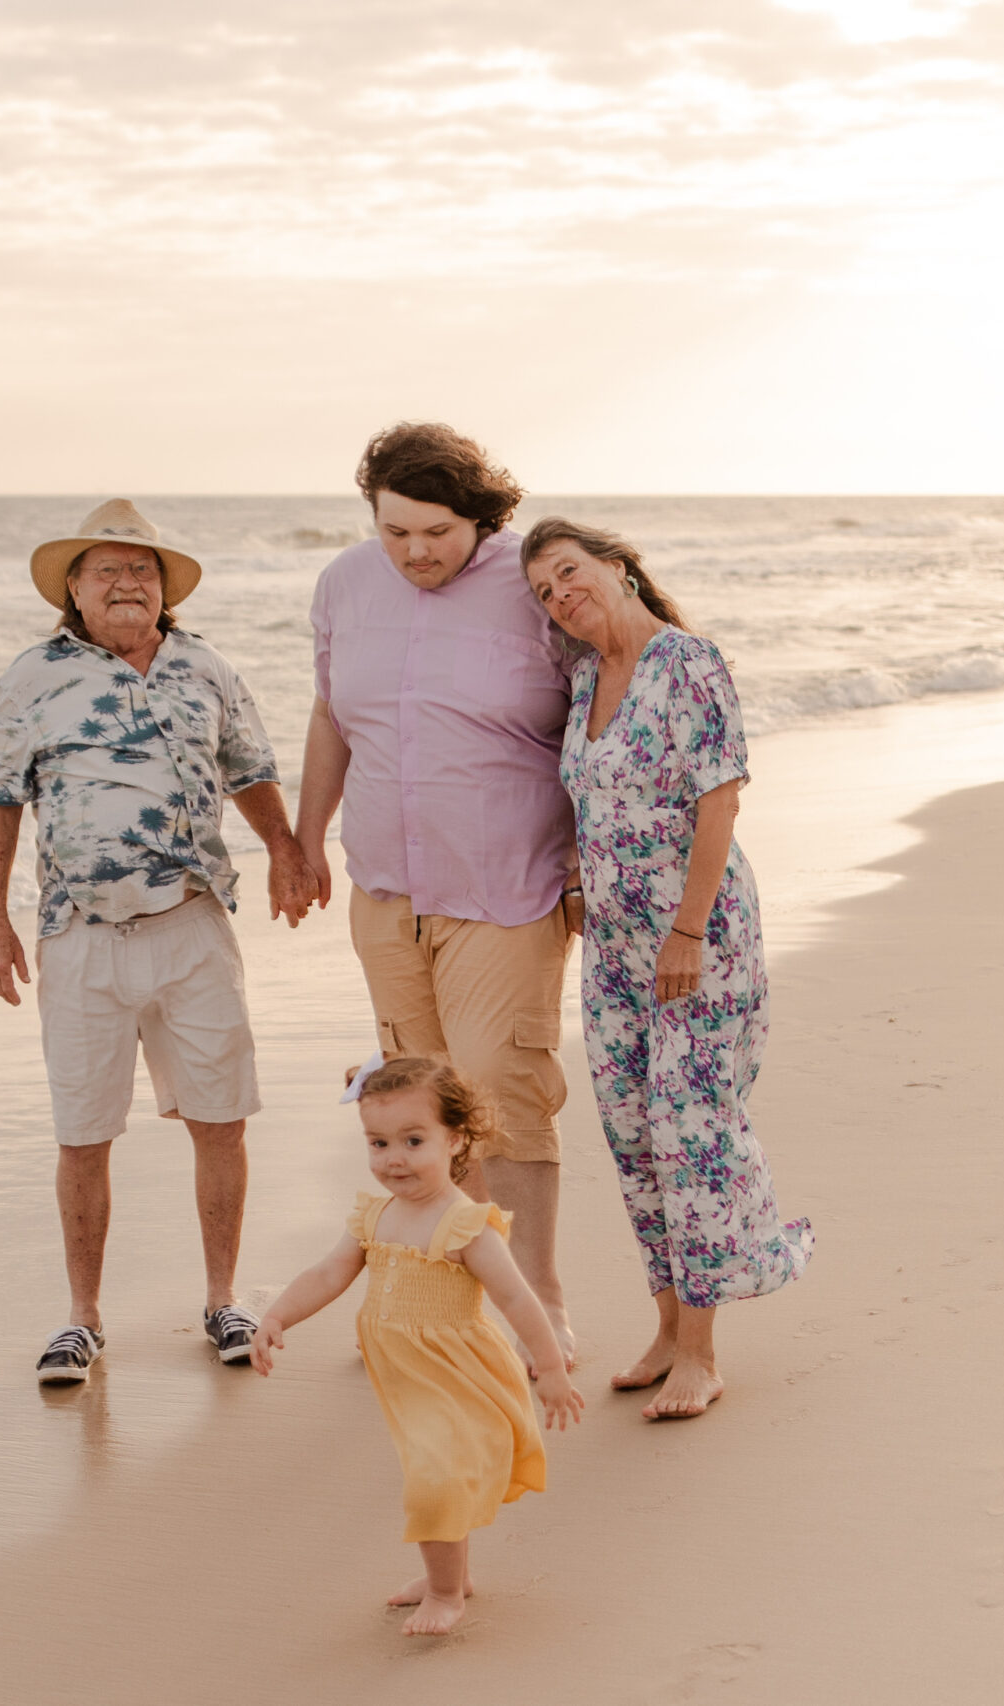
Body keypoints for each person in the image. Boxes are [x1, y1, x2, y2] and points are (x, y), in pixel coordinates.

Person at [0, 498, 306, 1385]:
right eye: (108, 571)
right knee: (83, 1134)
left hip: (194, 924)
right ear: (74, 590)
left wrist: (284, 849)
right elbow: (2, 801)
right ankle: (82, 1319)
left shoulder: (206, 667)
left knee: (221, 1120)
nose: (128, 584)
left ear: (164, 591)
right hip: (80, 936)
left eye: (144, 571)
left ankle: (223, 1300)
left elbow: (253, 771)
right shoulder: (32, 676)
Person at [291, 422, 582, 1367]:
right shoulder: (342, 584)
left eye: (438, 533)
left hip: (507, 886)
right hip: (384, 888)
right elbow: (333, 717)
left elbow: (598, 710)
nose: (416, 552)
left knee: (500, 1093)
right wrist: (303, 840)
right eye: (396, 531)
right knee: (411, 1112)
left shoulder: (534, 585)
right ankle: (433, 1302)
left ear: (481, 518)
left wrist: (596, 862)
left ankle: (538, 1304)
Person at [520, 517, 813, 1420]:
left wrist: (686, 932)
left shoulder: (686, 661)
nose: (562, 594)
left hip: (699, 934)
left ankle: (701, 1352)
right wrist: (573, 887)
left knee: (694, 1131)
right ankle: (663, 1329)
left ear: (616, 566)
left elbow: (718, 798)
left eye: (570, 572)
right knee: (634, 1133)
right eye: (543, 590)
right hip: (612, 944)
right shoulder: (581, 678)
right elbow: (586, 802)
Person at [254, 1056, 583, 1637]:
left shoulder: (465, 1224)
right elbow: (329, 1273)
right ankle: (451, 1572)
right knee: (435, 1472)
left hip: (458, 1374)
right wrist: (278, 1314)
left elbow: (518, 1300)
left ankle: (445, 1591)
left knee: (434, 1479)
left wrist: (551, 1366)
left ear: (456, 1139)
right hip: (406, 1377)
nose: (393, 1159)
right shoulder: (374, 1215)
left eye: (413, 1140)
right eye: (378, 1143)